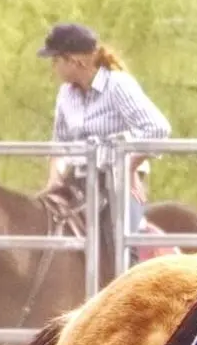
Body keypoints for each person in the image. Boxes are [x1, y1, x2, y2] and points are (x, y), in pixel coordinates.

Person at [40, 21, 172, 240]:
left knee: (122, 236)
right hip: (77, 179)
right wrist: (53, 181)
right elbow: (59, 143)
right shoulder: (65, 94)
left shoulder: (117, 85)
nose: (54, 67)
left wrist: (128, 165)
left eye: (56, 60)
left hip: (117, 178)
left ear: (75, 61)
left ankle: (132, 268)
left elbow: (157, 128)